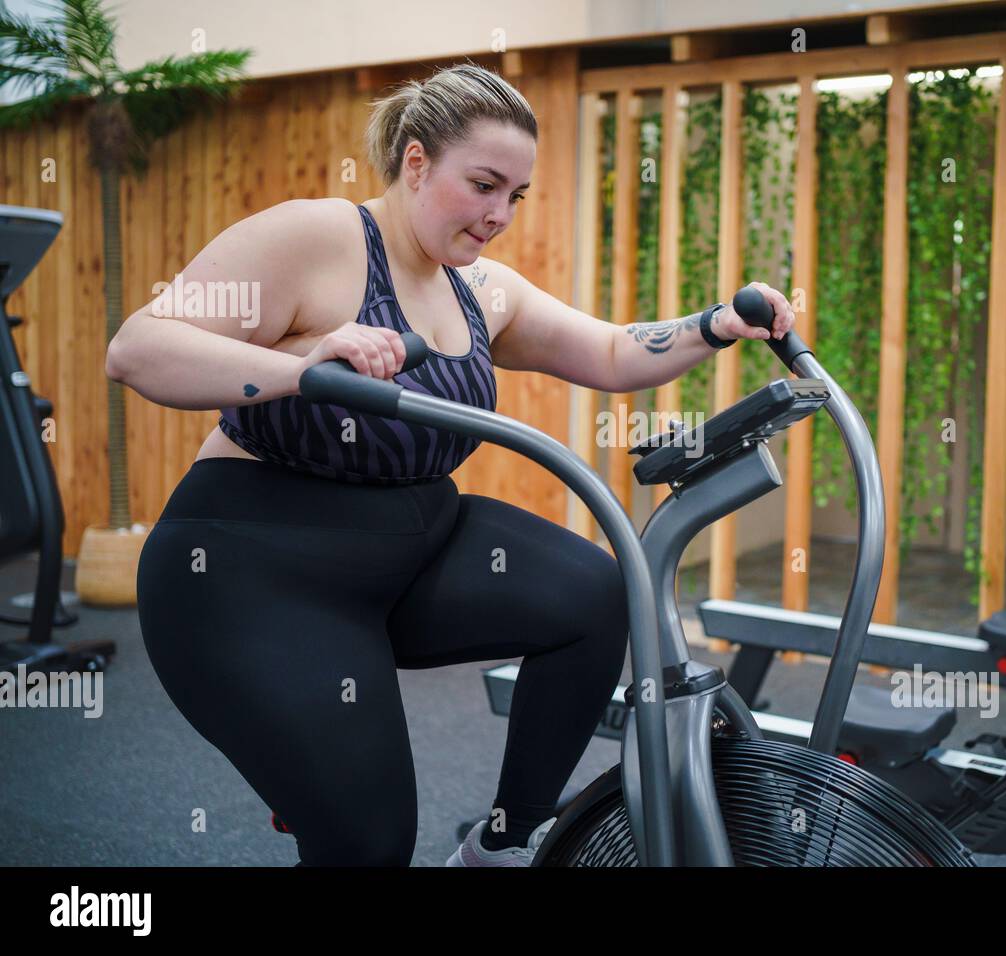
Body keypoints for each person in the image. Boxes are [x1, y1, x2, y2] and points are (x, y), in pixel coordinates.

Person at [107, 61, 796, 867]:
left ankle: (505, 841)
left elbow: (611, 351)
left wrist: (719, 322)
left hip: (414, 545)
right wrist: (309, 365)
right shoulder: (316, 237)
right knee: (368, 844)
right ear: (414, 160)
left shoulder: (481, 289)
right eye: (484, 185)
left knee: (598, 595)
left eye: (516, 195)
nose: (500, 214)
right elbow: (139, 349)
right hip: (252, 569)